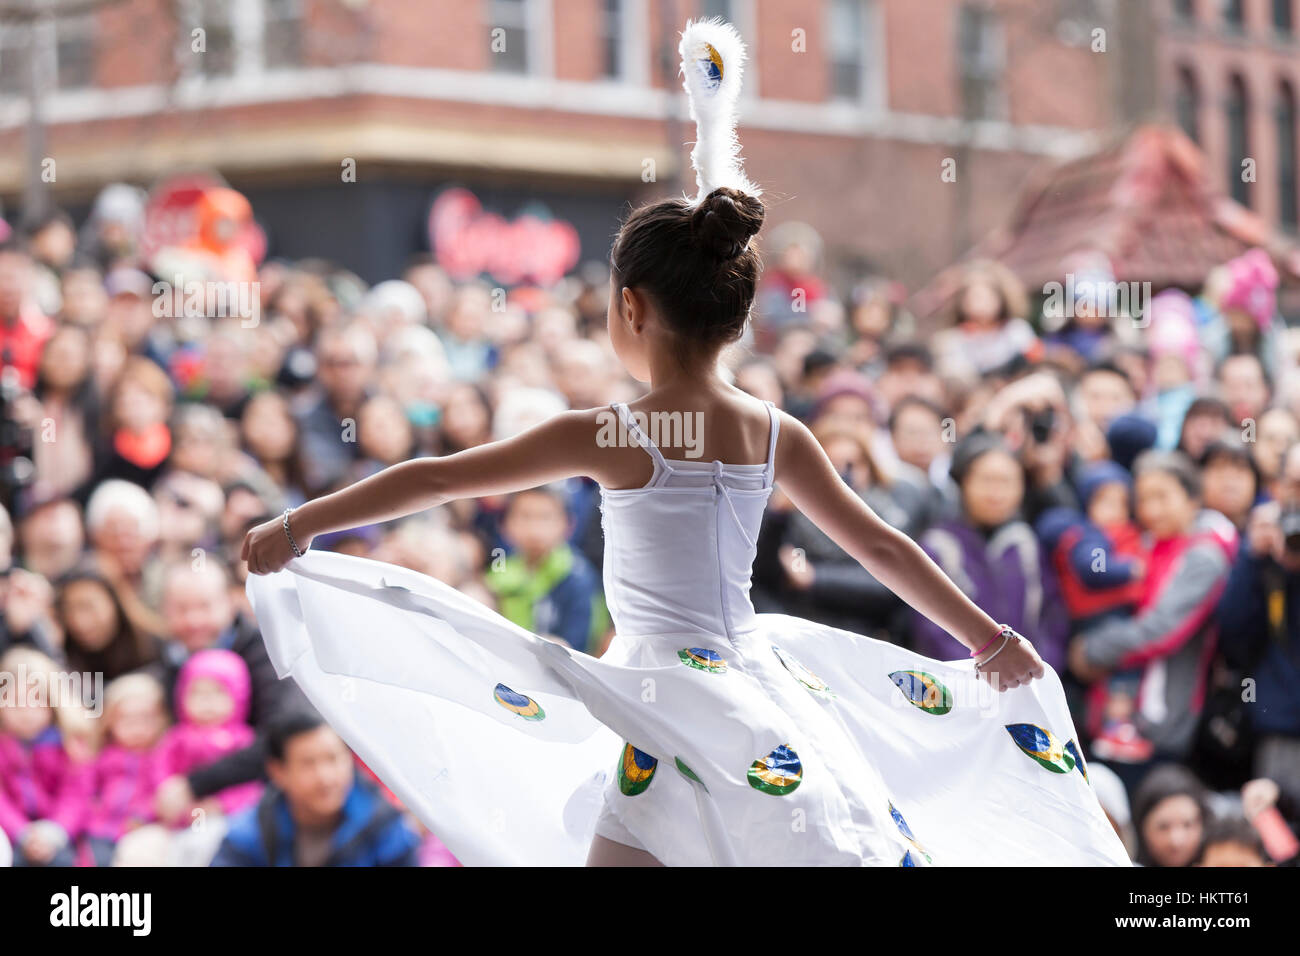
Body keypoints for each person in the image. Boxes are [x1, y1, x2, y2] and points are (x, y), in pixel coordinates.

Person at [241, 20, 1123, 868]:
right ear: (736, 314)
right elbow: (885, 545)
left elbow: (436, 477)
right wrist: (989, 640)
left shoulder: (615, 435)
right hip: (751, 693)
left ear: (630, 309)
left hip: (665, 697)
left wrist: (301, 525)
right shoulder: (774, 431)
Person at [209, 710, 421, 867]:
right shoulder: (249, 834)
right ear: (278, 771)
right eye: (308, 764)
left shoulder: (385, 825)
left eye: (333, 758)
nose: (325, 778)